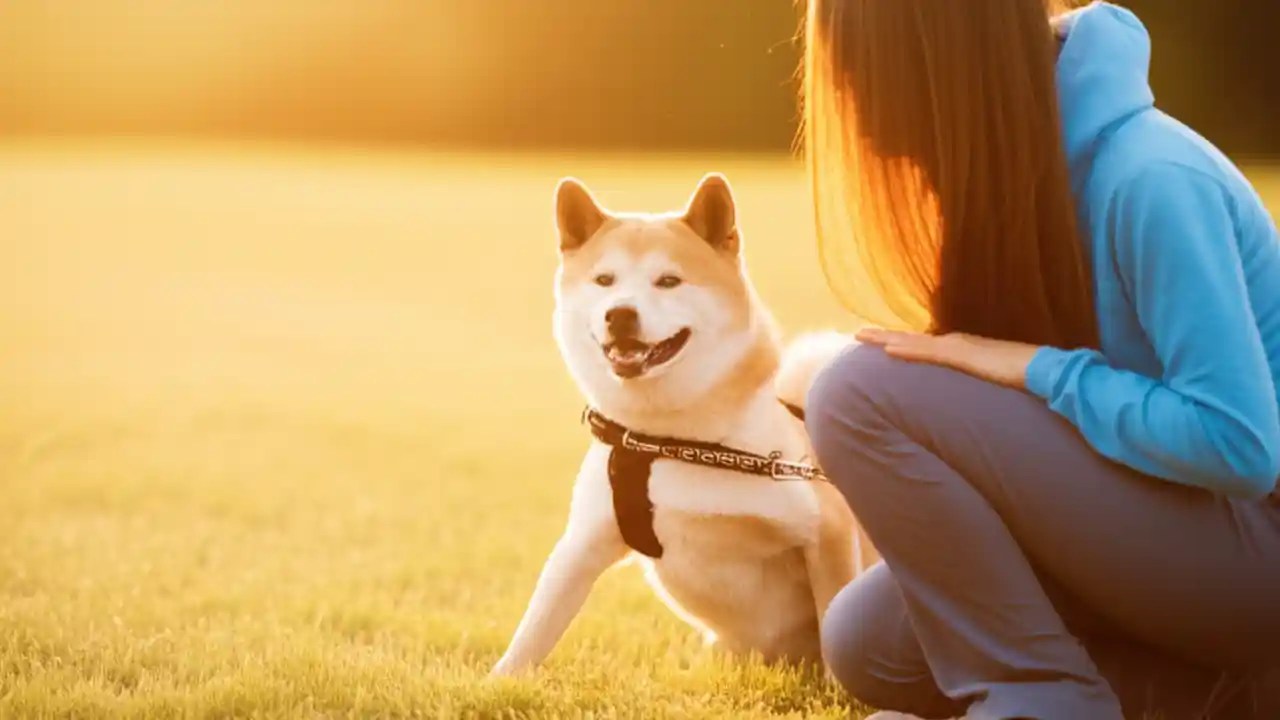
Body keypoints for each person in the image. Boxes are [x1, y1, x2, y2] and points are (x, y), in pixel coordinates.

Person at [800, 2, 1280, 719]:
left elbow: (1239, 446)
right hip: (1183, 549)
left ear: (940, 72)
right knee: (869, 640)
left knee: (854, 391)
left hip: (1256, 556)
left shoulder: (1152, 179)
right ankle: (1224, 699)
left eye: (860, 76)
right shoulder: (1015, 178)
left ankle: (1042, 704)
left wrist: (1035, 368)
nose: (850, 103)